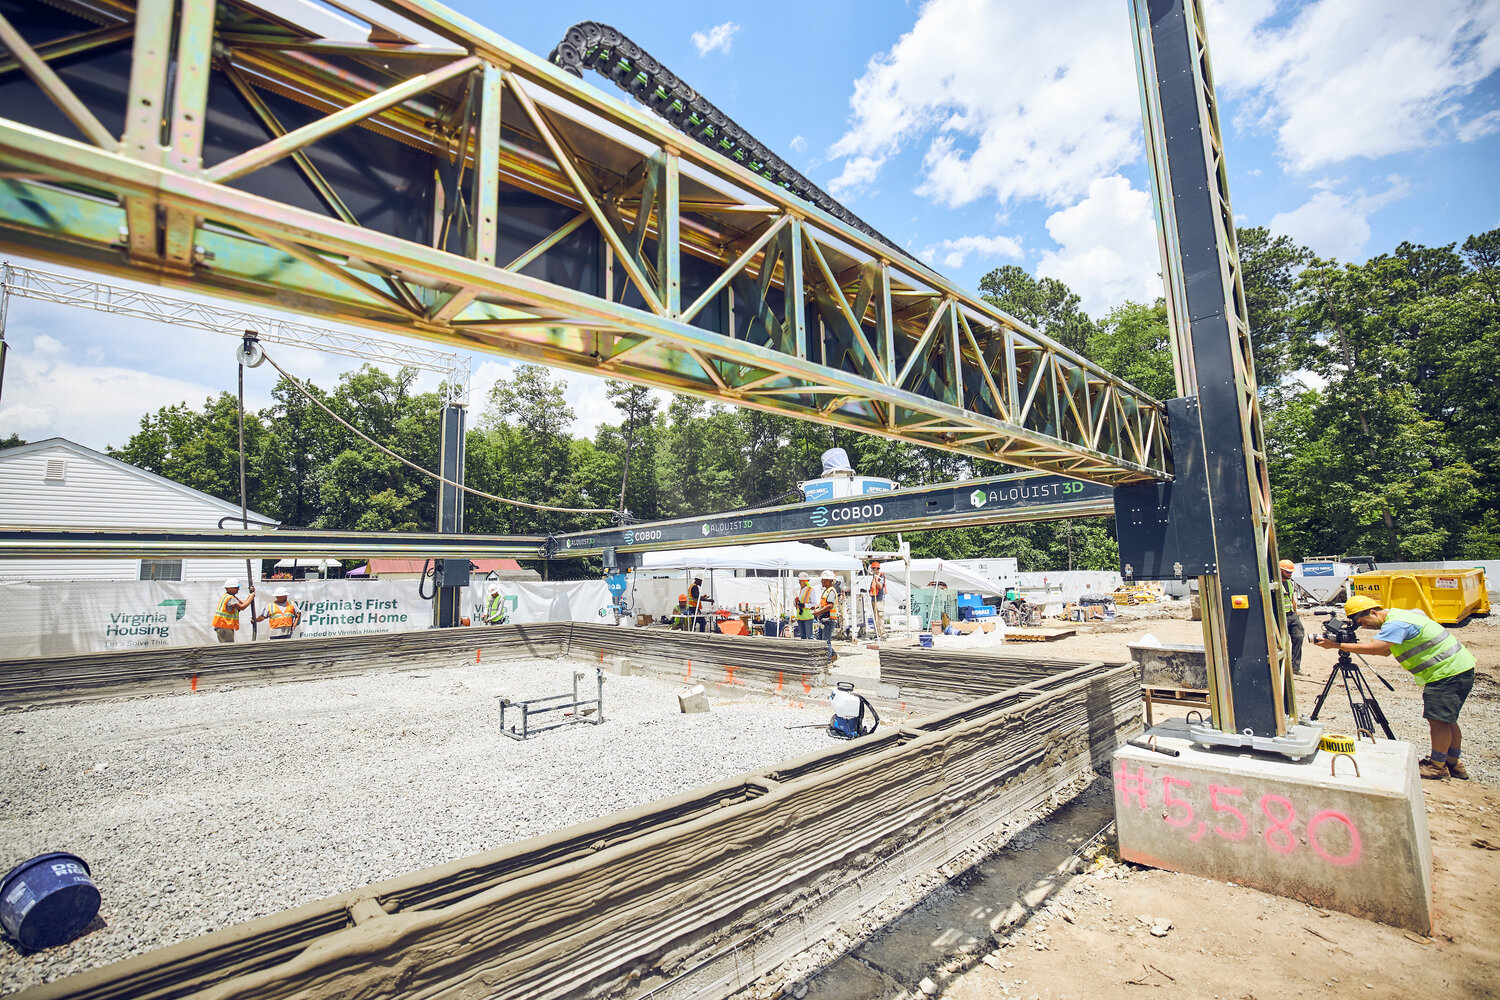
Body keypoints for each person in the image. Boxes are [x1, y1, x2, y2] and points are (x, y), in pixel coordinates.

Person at [1314, 595, 1476, 780]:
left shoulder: (1395, 624)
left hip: (1446, 673)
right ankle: (1454, 764)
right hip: (1458, 669)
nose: (1365, 626)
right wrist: (1348, 645)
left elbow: (1376, 649)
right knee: (1447, 719)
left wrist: (1335, 645)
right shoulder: (1401, 616)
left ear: (1374, 612)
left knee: (1438, 721)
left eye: (1363, 621)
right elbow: (1384, 652)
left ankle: (1437, 766)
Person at [1279, 558, 1305, 674]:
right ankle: (1280, 668)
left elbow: (1292, 600)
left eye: (1291, 572)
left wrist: (1296, 614)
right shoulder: (1276, 584)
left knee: (1299, 636)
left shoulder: (1289, 583)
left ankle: (1295, 667)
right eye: (1287, 572)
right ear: (1280, 571)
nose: (1290, 574)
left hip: (1291, 615)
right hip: (1280, 616)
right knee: (1281, 642)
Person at [211, 578, 256, 643]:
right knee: (228, 646)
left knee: (228, 645)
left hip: (224, 625)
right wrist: (251, 597)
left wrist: (251, 595)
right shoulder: (230, 598)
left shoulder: (230, 596)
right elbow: (242, 607)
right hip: (224, 625)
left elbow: (243, 602)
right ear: (229, 588)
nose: (238, 589)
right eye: (236, 587)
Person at [815, 569, 841, 659]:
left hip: (829, 619)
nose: (822, 581)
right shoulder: (827, 591)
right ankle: (833, 655)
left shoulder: (831, 591)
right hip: (824, 619)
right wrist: (817, 607)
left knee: (826, 641)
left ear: (828, 581)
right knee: (820, 639)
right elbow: (825, 604)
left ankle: (828, 661)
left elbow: (830, 606)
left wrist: (818, 612)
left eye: (823, 580)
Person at [868, 561, 887, 642]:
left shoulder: (881, 575)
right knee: (875, 617)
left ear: (875, 568)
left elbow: (880, 586)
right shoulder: (874, 577)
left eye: (873, 568)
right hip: (874, 599)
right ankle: (877, 634)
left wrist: (876, 580)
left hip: (879, 599)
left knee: (879, 617)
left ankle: (882, 634)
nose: (872, 570)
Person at [794, 574, 816, 640]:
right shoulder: (802, 589)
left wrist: (804, 605)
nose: (799, 583)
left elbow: (814, 604)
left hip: (808, 616)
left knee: (810, 636)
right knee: (802, 636)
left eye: (800, 581)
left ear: (804, 581)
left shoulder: (810, 590)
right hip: (801, 616)